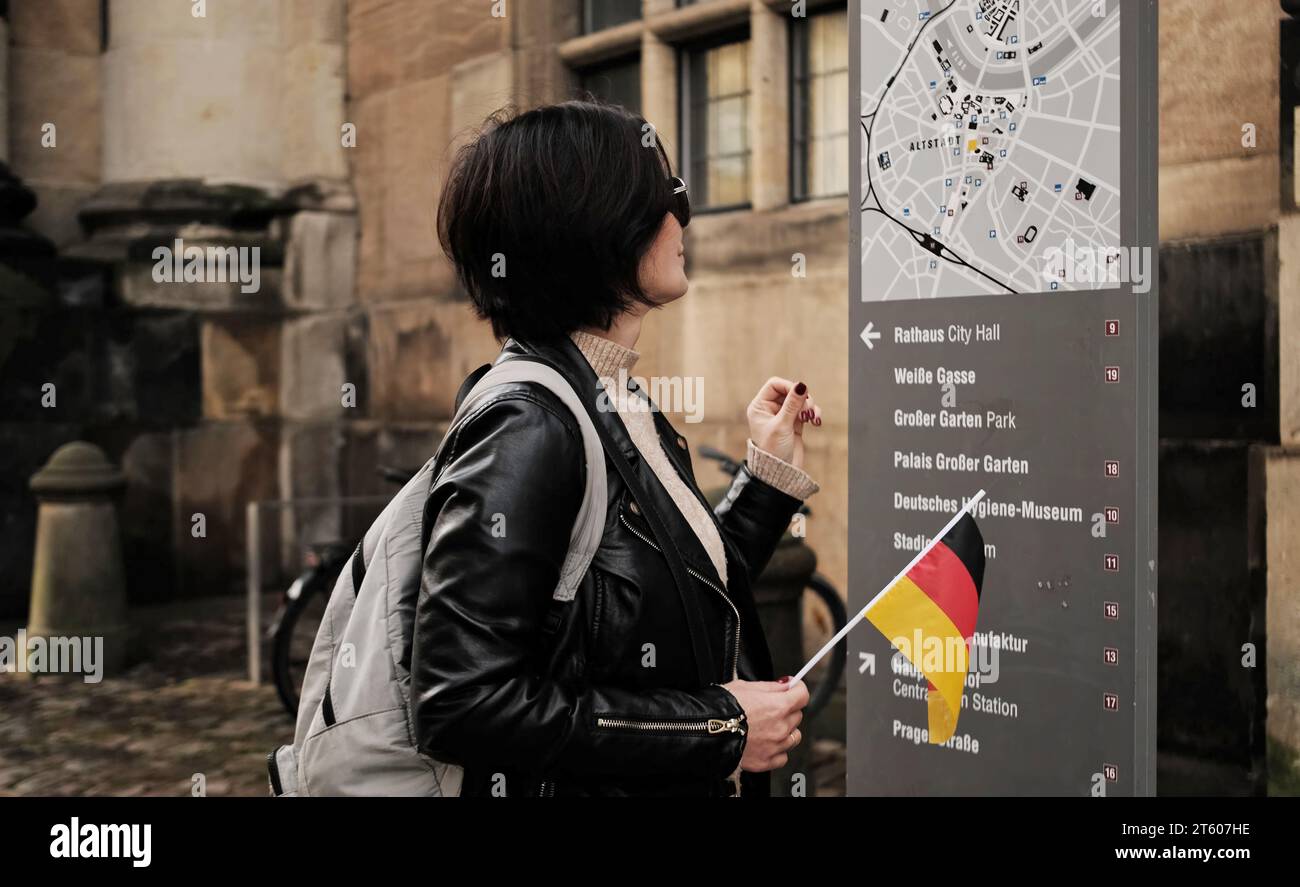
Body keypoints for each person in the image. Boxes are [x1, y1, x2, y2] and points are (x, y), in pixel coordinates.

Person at [411, 100, 825, 797]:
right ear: (594, 226)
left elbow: (678, 605)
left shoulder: (616, 400)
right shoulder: (530, 423)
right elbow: (461, 700)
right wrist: (718, 729)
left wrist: (769, 475)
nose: (682, 217)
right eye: (663, 196)